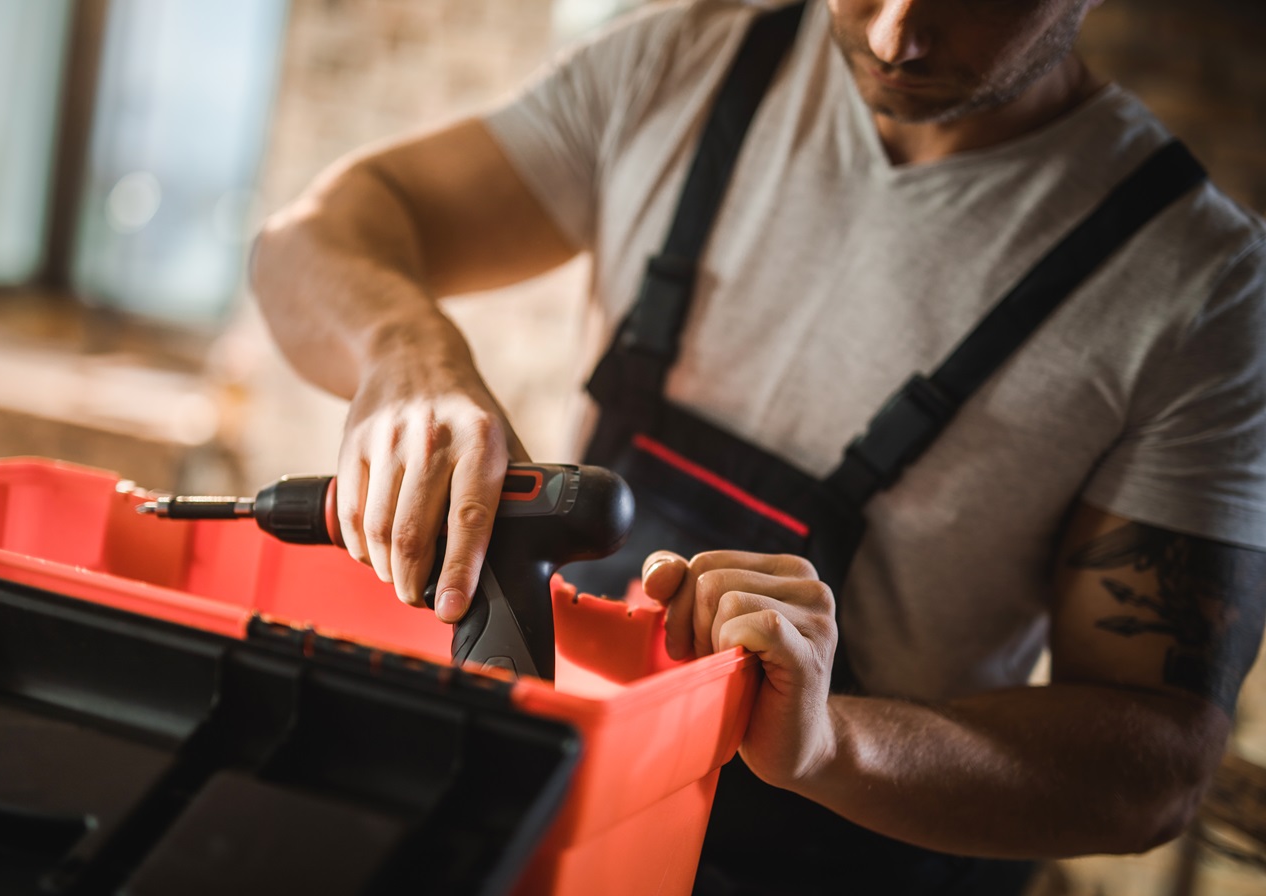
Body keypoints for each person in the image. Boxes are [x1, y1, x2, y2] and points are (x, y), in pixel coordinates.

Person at [249, 1, 1266, 893]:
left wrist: (833, 742)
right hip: (569, 821)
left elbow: (1158, 763)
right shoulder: (682, 67)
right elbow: (306, 239)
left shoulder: (1198, 288)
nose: (895, 34)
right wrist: (404, 352)